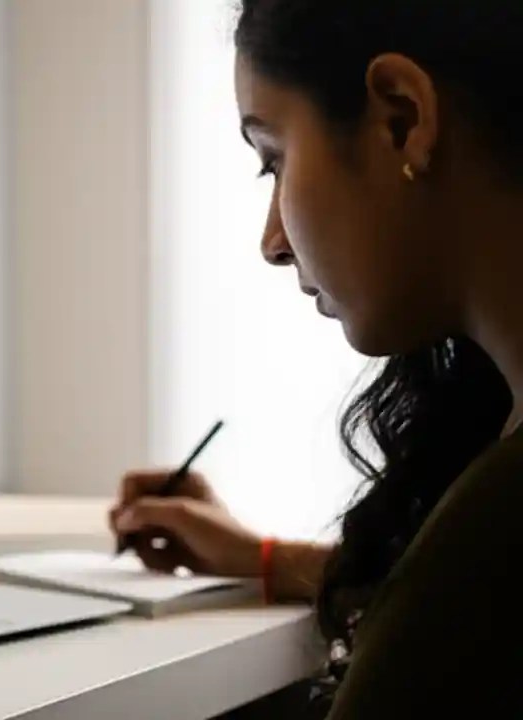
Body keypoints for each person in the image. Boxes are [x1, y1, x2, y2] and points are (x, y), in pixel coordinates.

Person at [108, 1, 523, 717]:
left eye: (273, 158)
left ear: (401, 118)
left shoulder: (499, 519)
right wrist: (260, 558)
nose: (273, 241)